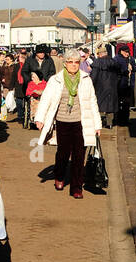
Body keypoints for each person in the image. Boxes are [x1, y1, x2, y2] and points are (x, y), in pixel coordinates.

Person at [35, 51, 103, 198]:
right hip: (62, 121)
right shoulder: (55, 80)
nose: (73, 65)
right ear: (65, 63)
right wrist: (40, 118)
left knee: (79, 156)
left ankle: (76, 188)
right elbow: (46, 99)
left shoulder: (86, 79)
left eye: (76, 62)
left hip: (81, 122)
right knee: (63, 153)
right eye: (70, 62)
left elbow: (92, 102)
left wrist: (97, 125)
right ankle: (59, 176)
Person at [89, 43, 122, 128]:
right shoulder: (113, 62)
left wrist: (90, 85)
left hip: (100, 87)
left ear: (99, 54)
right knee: (110, 105)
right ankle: (109, 123)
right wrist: (116, 83)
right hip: (112, 87)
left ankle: (98, 122)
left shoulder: (97, 62)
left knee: (99, 105)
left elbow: (94, 76)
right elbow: (119, 74)